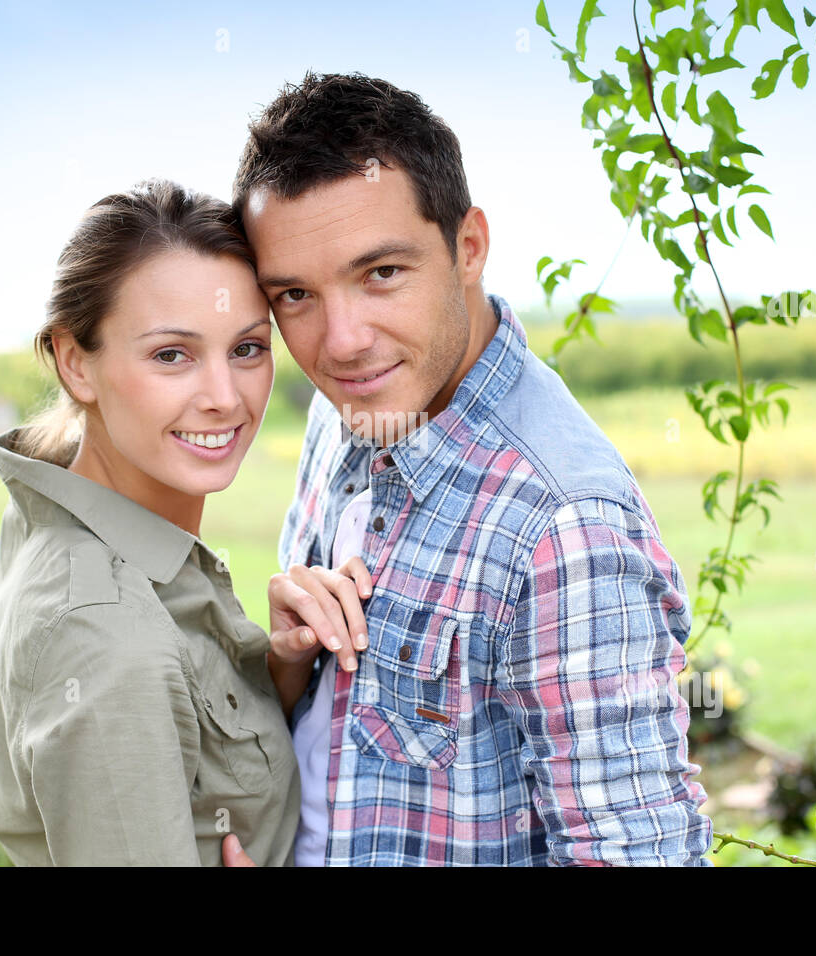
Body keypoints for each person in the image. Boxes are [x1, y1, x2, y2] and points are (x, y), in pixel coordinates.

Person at [225, 71, 715, 866]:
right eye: (295, 296)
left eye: (381, 273)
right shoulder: (343, 408)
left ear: (469, 246)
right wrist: (284, 661)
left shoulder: (563, 527)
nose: (340, 340)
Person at [0, 178, 368, 866]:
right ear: (75, 362)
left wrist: (274, 668)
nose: (224, 398)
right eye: (171, 355)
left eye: (246, 348)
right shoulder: (105, 637)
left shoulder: (84, 515)